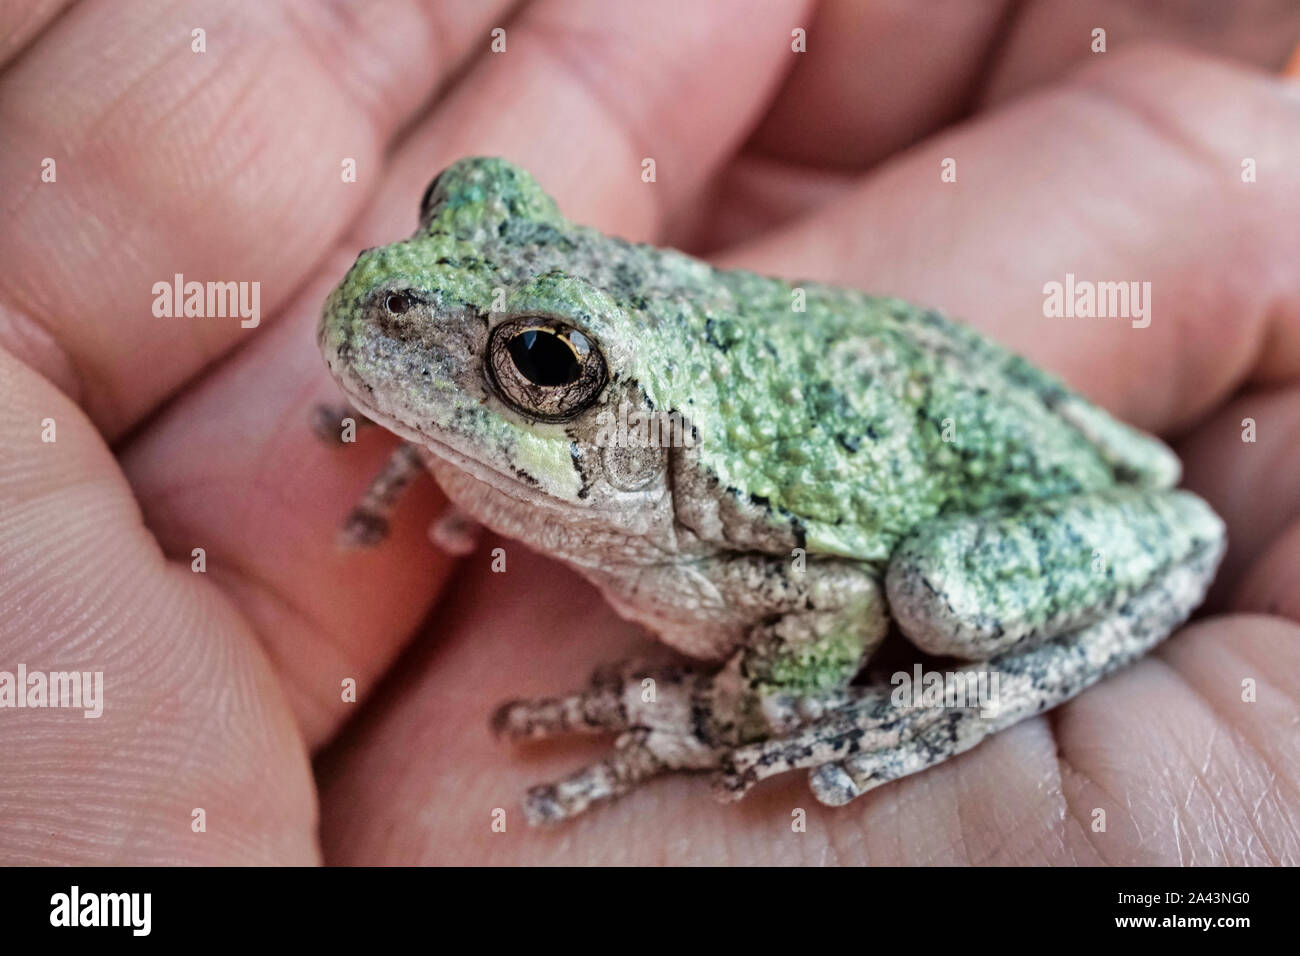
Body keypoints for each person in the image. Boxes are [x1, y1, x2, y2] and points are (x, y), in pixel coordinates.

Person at [0, 0, 1297, 865]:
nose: (389, 291)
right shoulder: (530, 370)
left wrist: (714, 718)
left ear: (597, 396)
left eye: (539, 365)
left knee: (932, 590)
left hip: (968, 505)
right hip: (858, 365)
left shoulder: (712, 536)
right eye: (458, 206)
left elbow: (831, 609)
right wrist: (455, 429)